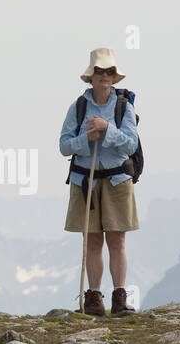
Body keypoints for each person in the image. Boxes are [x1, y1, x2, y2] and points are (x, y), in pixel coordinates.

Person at [59, 47, 140, 316]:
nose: (105, 76)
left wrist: (107, 131)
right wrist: (86, 140)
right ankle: (93, 298)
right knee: (92, 241)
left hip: (116, 179)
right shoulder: (78, 107)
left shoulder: (123, 107)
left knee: (117, 241)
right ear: (91, 76)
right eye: (100, 71)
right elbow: (64, 146)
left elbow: (131, 145)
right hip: (87, 181)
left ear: (114, 77)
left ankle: (119, 297)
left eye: (109, 72)